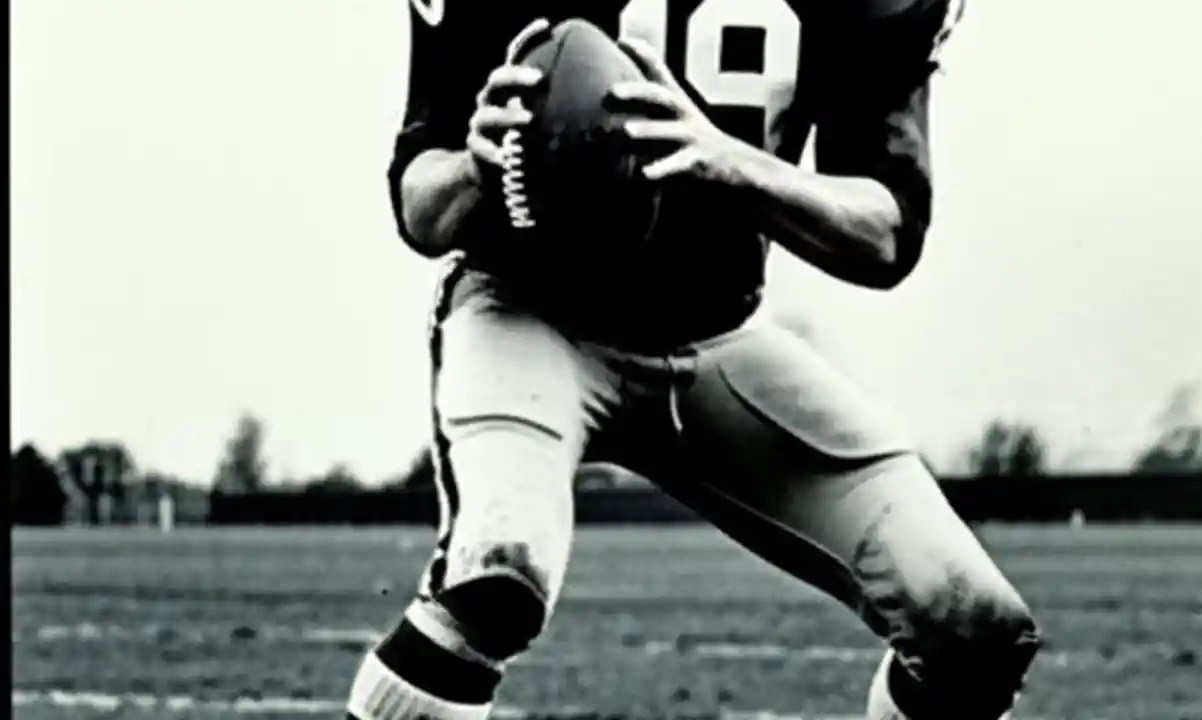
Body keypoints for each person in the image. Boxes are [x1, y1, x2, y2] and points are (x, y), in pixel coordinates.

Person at [348, 2, 1040, 719]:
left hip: (714, 336)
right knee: (498, 574)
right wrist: (473, 168)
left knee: (974, 633)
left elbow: (884, 234)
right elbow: (419, 203)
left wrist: (732, 163)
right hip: (530, 317)